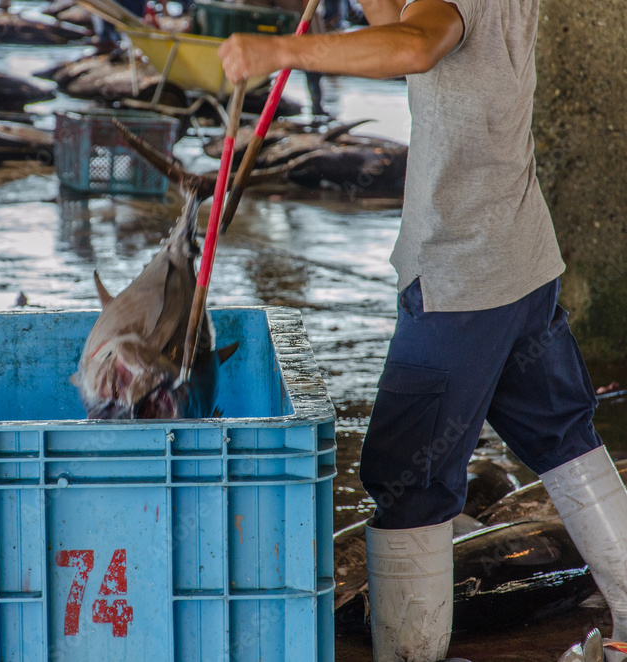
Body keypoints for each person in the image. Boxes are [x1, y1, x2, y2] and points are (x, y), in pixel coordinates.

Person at [219, 2, 627, 661]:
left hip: (462, 279)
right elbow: (403, 18)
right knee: (562, 437)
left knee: (406, 478)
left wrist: (279, 55)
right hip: (520, 258)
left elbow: (415, 44)